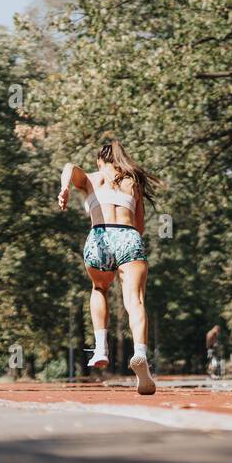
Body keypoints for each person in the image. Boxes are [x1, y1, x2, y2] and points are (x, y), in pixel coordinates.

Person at [58, 137, 162, 396]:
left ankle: (101, 349)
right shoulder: (132, 182)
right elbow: (140, 226)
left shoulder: (91, 179)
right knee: (135, 300)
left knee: (99, 289)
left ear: (99, 161)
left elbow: (70, 167)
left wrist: (65, 189)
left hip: (99, 237)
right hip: (128, 236)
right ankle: (140, 354)